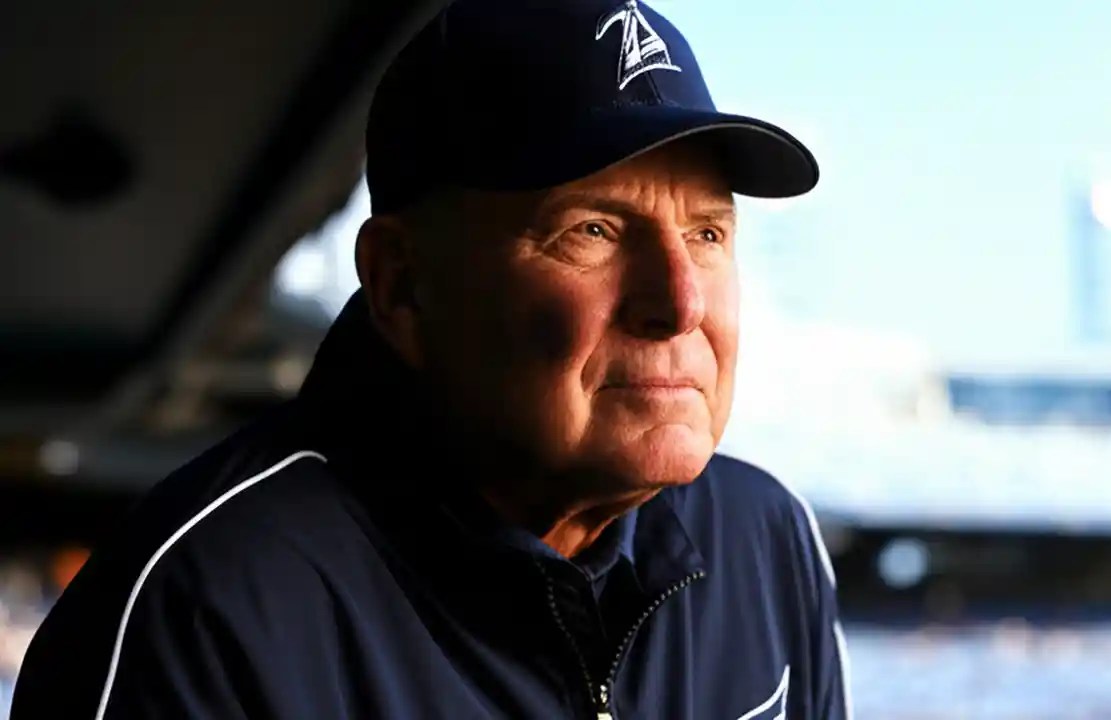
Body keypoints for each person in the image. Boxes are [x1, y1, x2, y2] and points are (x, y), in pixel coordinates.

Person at [12, 0, 851, 717]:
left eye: (707, 234)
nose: (681, 302)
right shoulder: (207, 610)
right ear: (405, 287)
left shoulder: (767, 545)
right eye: (591, 231)